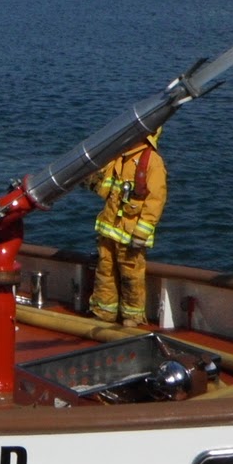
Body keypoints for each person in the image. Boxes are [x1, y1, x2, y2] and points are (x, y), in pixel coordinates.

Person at [87, 130, 167, 328]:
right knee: (105, 271)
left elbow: (155, 201)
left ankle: (132, 317)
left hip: (131, 234)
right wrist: (90, 176)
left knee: (131, 275)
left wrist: (141, 233)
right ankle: (104, 311)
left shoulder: (152, 162)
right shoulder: (118, 157)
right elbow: (105, 189)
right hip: (109, 228)